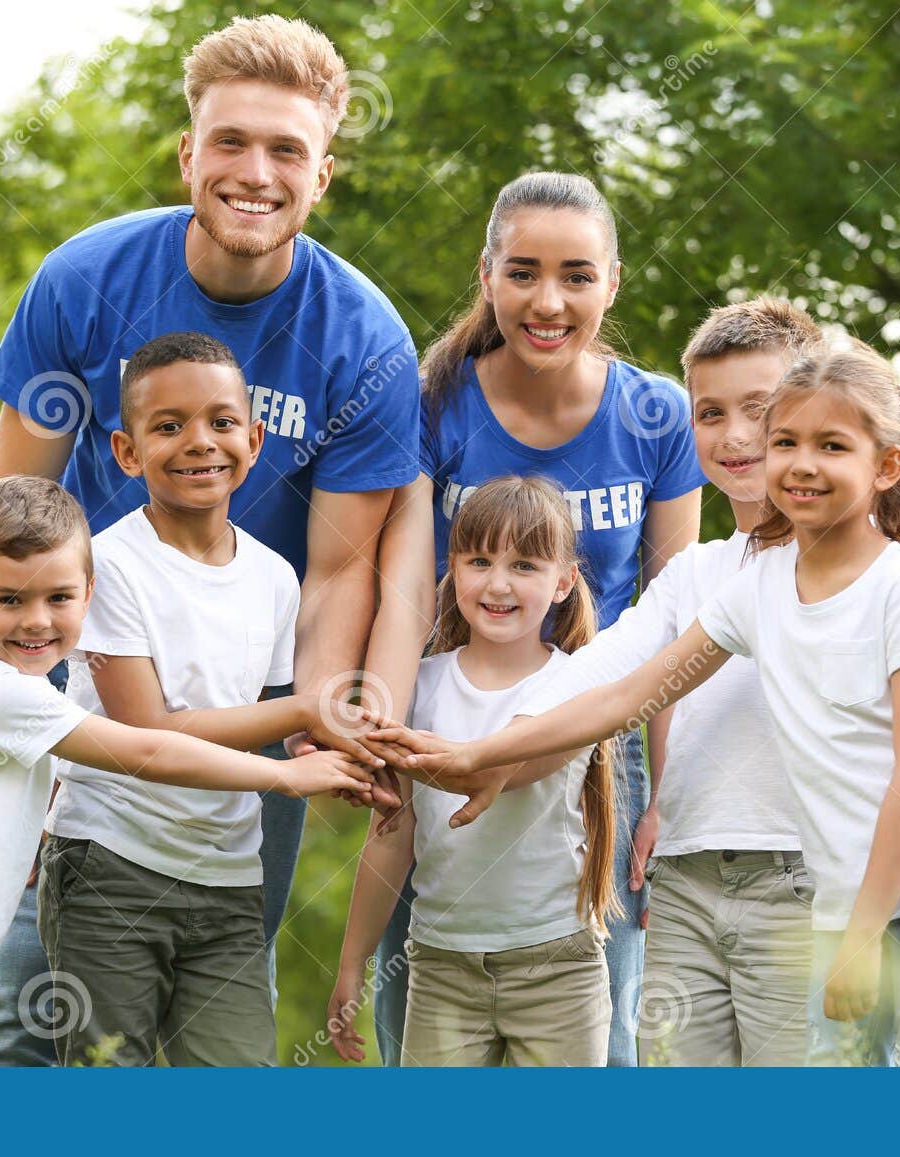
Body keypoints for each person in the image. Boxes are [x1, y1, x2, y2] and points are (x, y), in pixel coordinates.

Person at [372, 340, 900, 1067]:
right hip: (849, 906)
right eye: (787, 442)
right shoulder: (755, 584)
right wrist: (489, 749)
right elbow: (625, 688)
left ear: (887, 464)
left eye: (830, 445)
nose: (799, 462)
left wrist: (863, 936)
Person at [0, 14, 421, 1062]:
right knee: (43, 1012)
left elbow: (337, 571)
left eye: (286, 150)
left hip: (246, 700)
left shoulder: (365, 341)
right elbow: (5, 512)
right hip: (76, 672)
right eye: (230, 141)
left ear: (321, 176)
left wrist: (308, 719)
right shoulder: (85, 280)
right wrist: (3, 703)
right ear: (189, 153)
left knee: (219, 1000)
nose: (253, 172)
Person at [0, 476, 371, 1067]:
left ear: (89, 594)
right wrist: (283, 776)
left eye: (59, 598)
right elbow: (147, 751)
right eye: (9, 600)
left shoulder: (15, 694)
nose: (36, 621)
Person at [371, 171, 705, 1068]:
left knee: (603, 1024)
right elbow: (405, 586)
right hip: (448, 717)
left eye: (576, 276)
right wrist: (387, 730)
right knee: (421, 1010)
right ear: (486, 277)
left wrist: (662, 795)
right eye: (522, 272)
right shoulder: (434, 403)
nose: (547, 301)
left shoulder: (657, 416)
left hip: (607, 737)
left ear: (613, 282)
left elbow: (675, 627)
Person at [38, 333, 393, 1066]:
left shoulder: (274, 579)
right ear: (127, 451)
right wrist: (305, 711)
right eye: (168, 426)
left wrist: (345, 750)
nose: (199, 442)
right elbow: (149, 733)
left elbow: (254, 723)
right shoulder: (107, 566)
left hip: (229, 877)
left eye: (222, 422)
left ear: (255, 438)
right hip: (110, 868)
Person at [514, 297, 821, 1065]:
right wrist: (480, 744)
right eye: (710, 412)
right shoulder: (696, 571)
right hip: (687, 881)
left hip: (801, 880)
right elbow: (602, 675)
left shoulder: (851, 562)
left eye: (761, 407)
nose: (736, 435)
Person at [330, 477, 618, 1066]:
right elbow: (391, 837)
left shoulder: (578, 683)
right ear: (453, 568)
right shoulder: (421, 682)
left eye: (525, 565)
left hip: (557, 967)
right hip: (441, 966)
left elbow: (513, 765)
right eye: (479, 560)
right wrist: (352, 962)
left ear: (564, 581)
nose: (498, 583)